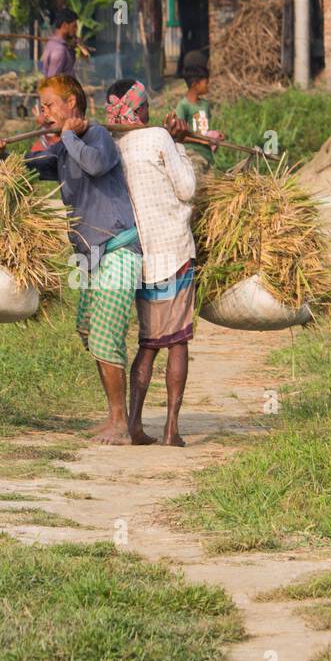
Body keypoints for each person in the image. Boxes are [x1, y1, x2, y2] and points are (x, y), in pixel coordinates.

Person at [0, 74, 140, 446]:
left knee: (105, 335)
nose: (43, 114)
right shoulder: (60, 149)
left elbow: (97, 165)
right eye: (41, 108)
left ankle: (120, 423)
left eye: (49, 105)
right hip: (87, 257)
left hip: (118, 249)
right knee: (89, 332)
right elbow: (24, 173)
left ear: (72, 103)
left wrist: (68, 135)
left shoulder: (97, 135)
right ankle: (114, 416)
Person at [106, 79, 198, 447]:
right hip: (174, 251)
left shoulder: (114, 148)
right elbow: (187, 189)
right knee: (177, 342)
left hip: (142, 258)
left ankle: (134, 425)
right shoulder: (159, 138)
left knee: (148, 342)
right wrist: (181, 144)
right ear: (141, 109)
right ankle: (171, 430)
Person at [168, 54, 224, 171]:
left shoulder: (205, 105)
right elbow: (180, 136)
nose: (208, 86)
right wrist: (202, 140)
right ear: (195, 85)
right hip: (192, 155)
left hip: (207, 155)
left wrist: (214, 136)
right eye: (206, 83)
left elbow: (205, 130)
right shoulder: (183, 106)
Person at [40, 10, 80, 78]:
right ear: (64, 25)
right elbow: (53, 81)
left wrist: (71, 49)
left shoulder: (51, 43)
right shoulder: (59, 50)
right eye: (74, 26)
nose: (76, 29)